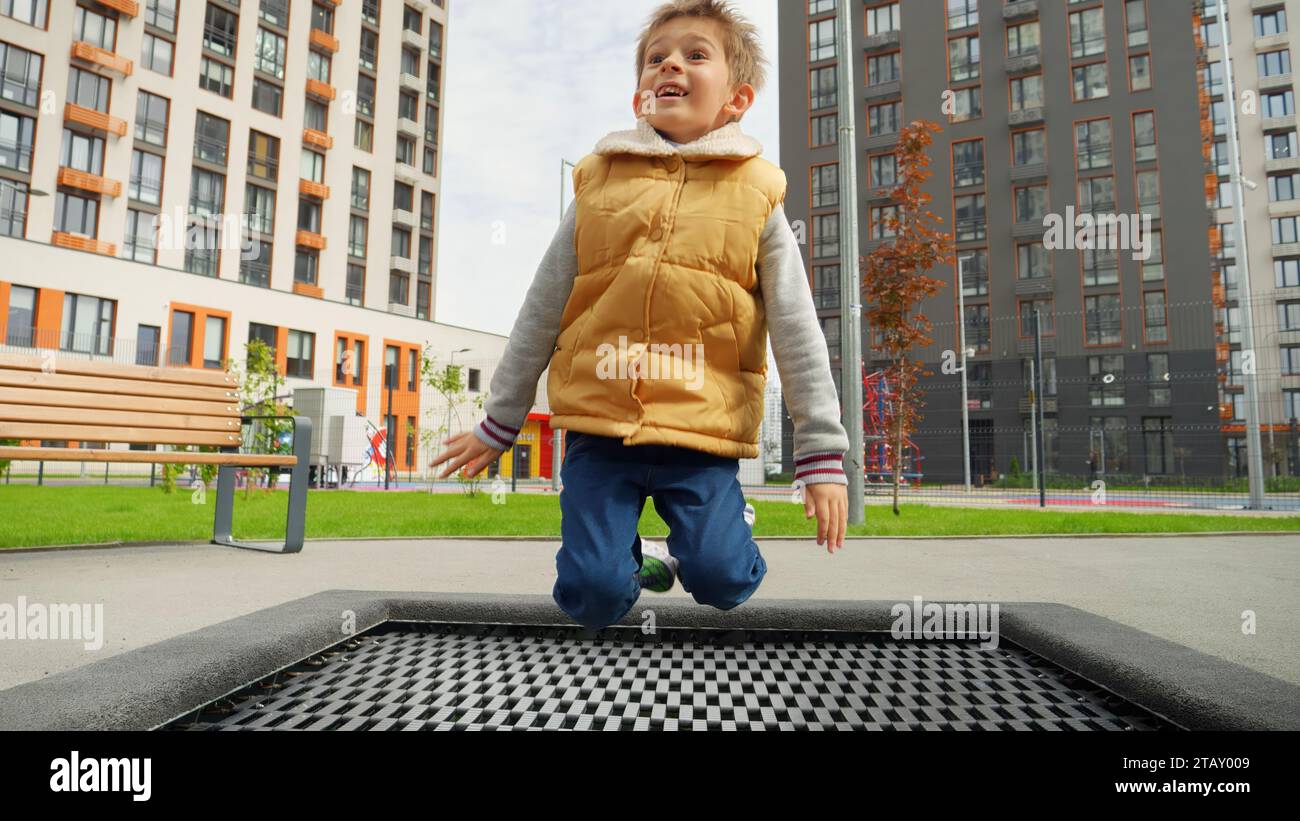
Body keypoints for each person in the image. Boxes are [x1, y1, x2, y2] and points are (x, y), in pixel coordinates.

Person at [431, 0, 850, 629]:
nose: (670, 65)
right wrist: (501, 419)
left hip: (700, 436)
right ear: (639, 100)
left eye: (694, 54)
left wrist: (821, 453)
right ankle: (630, 563)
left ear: (736, 100)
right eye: (656, 59)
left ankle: (725, 531)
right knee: (592, 597)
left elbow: (796, 330)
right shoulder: (599, 184)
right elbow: (542, 307)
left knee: (723, 580)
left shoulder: (758, 194)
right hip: (601, 432)